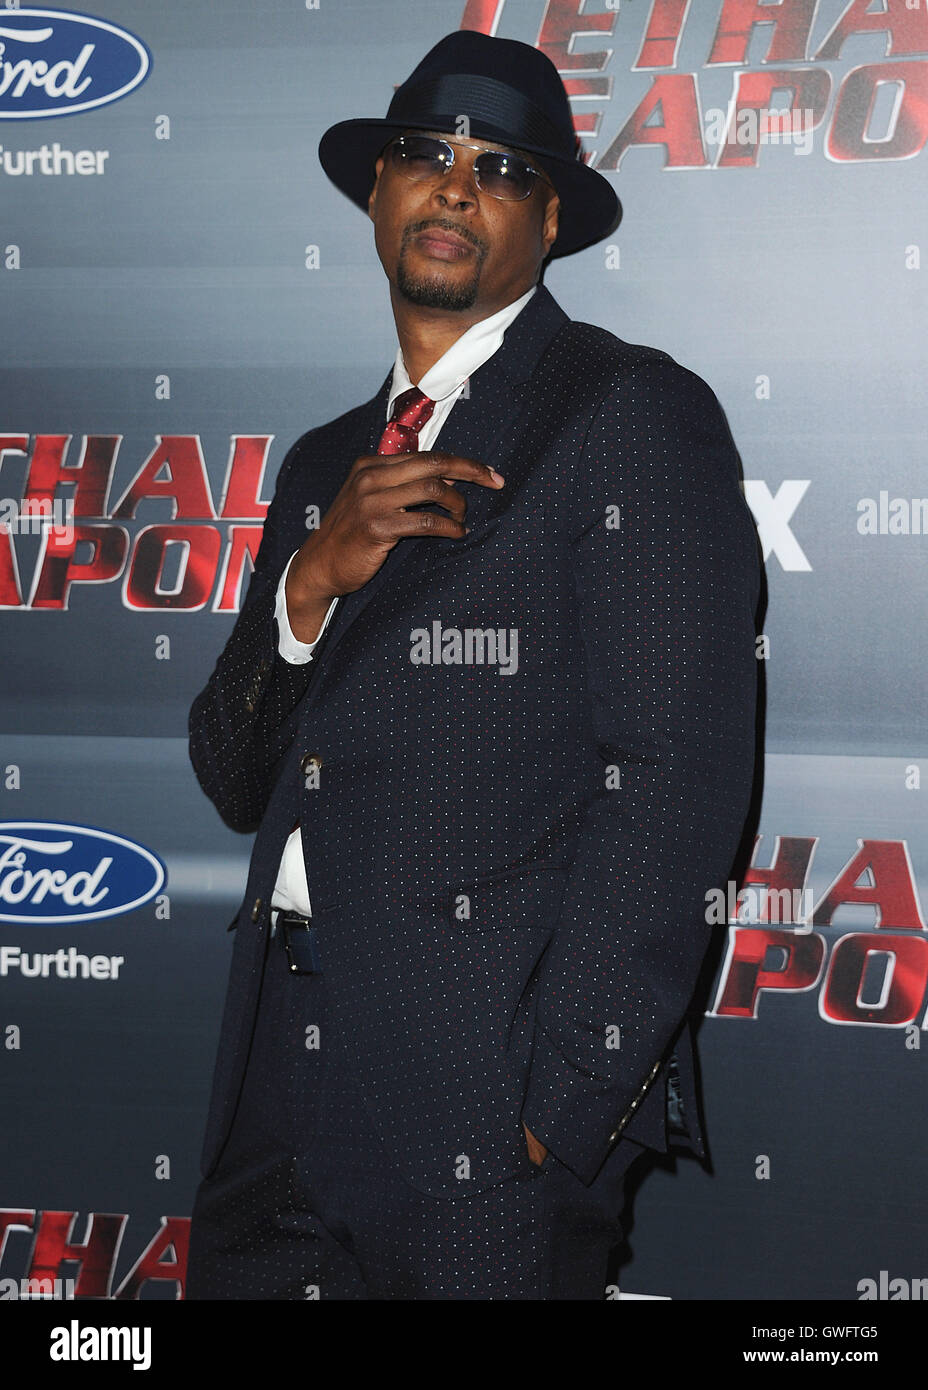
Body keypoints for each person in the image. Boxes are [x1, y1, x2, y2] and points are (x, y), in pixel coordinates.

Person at [184, 29, 760, 1301]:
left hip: (483, 1104)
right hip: (275, 1064)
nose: (453, 184)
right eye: (423, 155)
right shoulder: (323, 461)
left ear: (548, 223)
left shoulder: (624, 412)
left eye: (500, 169)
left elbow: (678, 777)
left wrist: (558, 1108)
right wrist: (306, 583)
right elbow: (234, 773)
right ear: (375, 192)